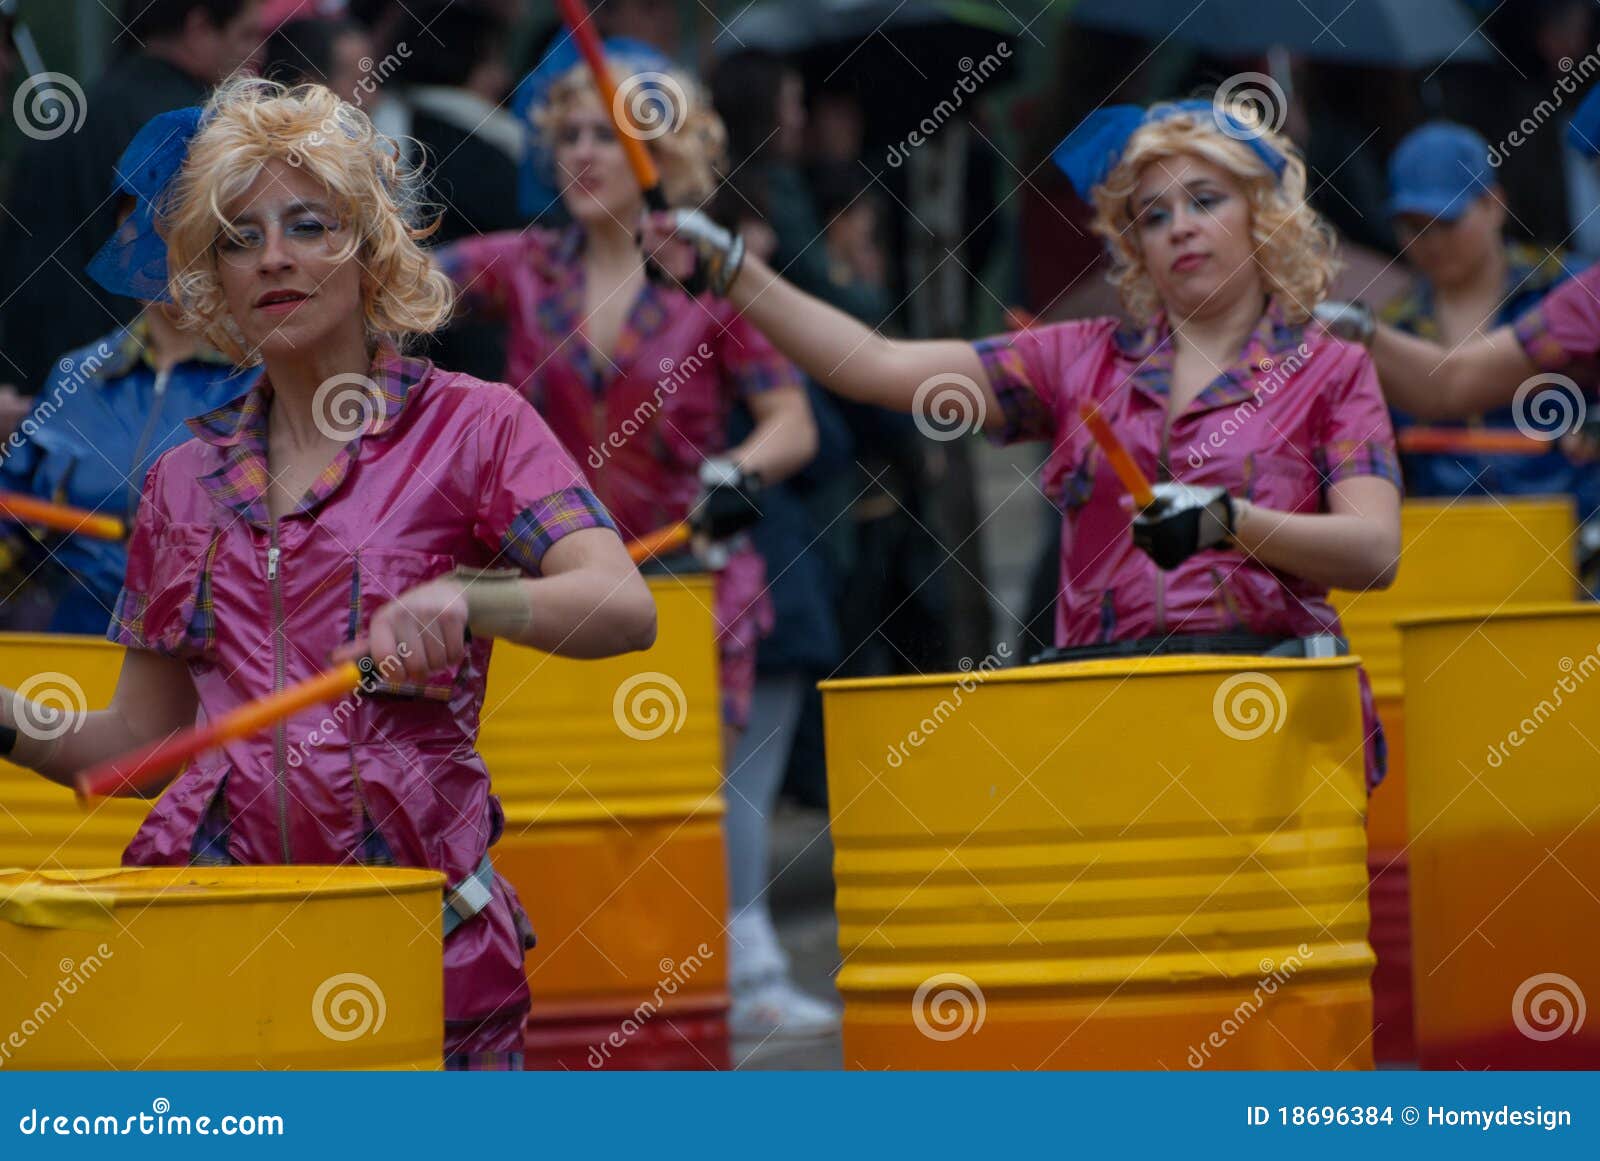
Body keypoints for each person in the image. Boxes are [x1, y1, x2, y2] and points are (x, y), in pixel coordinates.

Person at [0, 80, 658, 1069]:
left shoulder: (472, 425)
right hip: (225, 951)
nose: (272, 256)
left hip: (419, 948)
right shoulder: (180, 481)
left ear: (368, 249)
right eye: (237, 236)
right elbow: (139, 748)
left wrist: (474, 599)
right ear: (207, 279)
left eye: (307, 225)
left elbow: (621, 604)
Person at [650, 98, 1404, 790]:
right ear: (1135, 244)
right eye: (1152, 214)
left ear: (1261, 215)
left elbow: (1374, 550)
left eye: (1206, 201)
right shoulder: (1075, 358)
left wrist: (1229, 521)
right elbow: (874, 365)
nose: (1179, 225)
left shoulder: (1331, 368)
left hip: (1275, 730)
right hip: (1111, 725)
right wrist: (736, 273)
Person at [438, 41, 816, 758]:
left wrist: (735, 470)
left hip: (687, 584)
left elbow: (792, 420)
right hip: (555, 586)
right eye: (569, 136)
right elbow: (396, 286)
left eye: (606, 136)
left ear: (659, 154)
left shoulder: (709, 273)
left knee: (685, 836)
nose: (582, 153)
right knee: (570, 830)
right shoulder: (522, 266)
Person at [0, 0, 266, 389]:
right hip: (159, 388)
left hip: (34, 396)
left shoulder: (63, 122)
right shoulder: (198, 133)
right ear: (198, 27)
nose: (258, 53)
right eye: (247, 34)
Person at [1376, 122, 1598, 523]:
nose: (1432, 242)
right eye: (1413, 226)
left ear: (1494, 205)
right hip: (1446, 551)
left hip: (1581, 547)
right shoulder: (1392, 332)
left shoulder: (1571, 292)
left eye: (1447, 221)